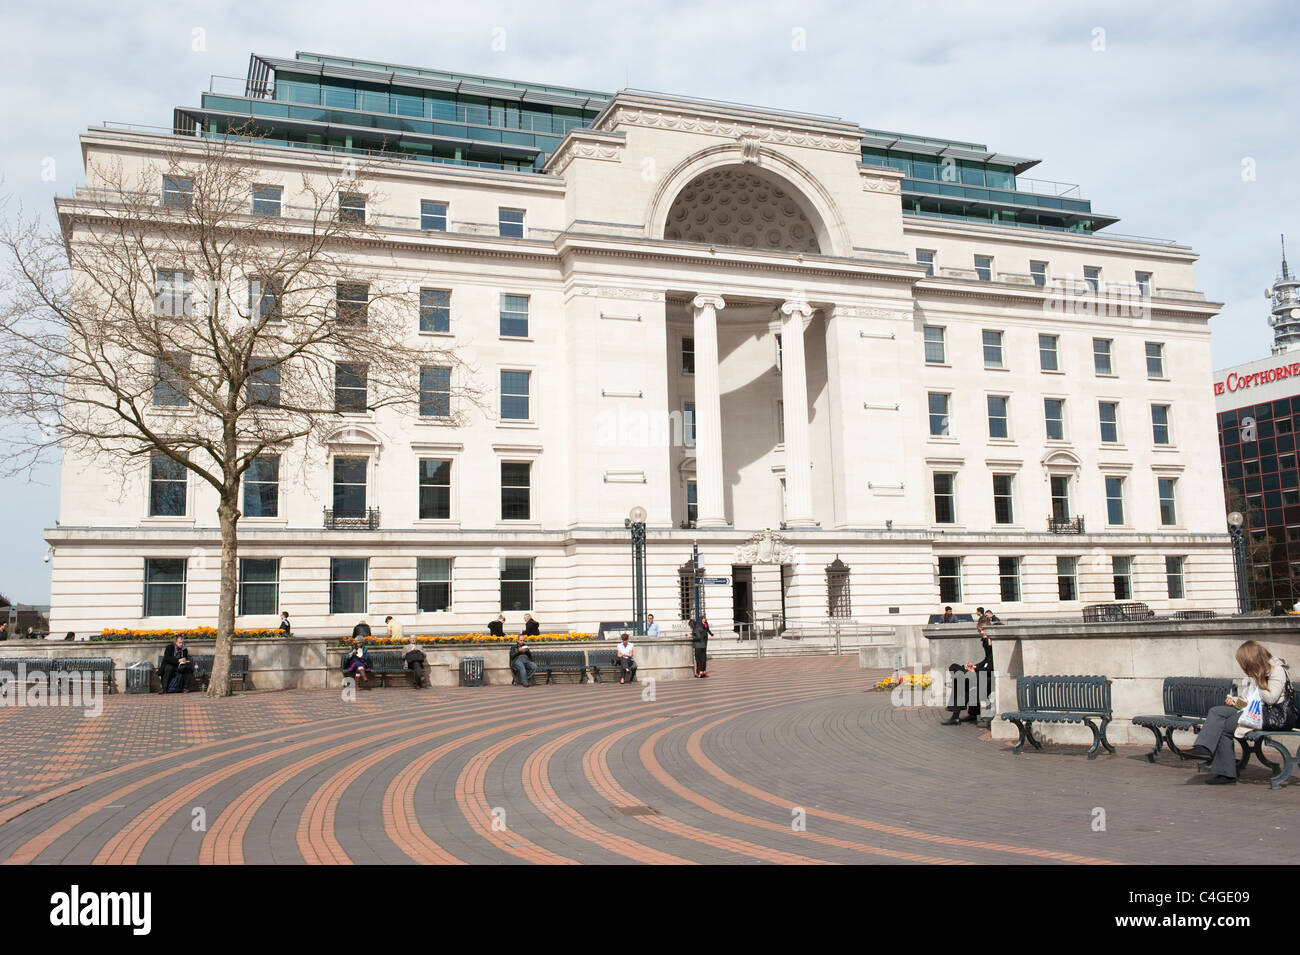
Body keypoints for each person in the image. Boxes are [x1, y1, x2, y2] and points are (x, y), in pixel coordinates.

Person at [1190, 640, 1291, 784]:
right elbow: (1247, 702)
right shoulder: (1255, 673)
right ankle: (1203, 748)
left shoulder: (1276, 670)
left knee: (1224, 727)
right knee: (1216, 711)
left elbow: (1271, 699)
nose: (1243, 667)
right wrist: (1236, 702)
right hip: (1254, 712)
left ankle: (1226, 774)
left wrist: (1259, 679)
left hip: (1271, 716)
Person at [941, 624, 993, 725]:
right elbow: (987, 661)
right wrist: (975, 667)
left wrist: (977, 670)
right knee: (956, 669)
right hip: (984, 674)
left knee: (959, 679)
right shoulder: (987, 641)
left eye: (983, 630)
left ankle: (956, 717)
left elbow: (992, 665)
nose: (981, 633)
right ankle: (971, 714)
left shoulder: (992, 642)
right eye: (979, 631)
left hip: (988, 677)